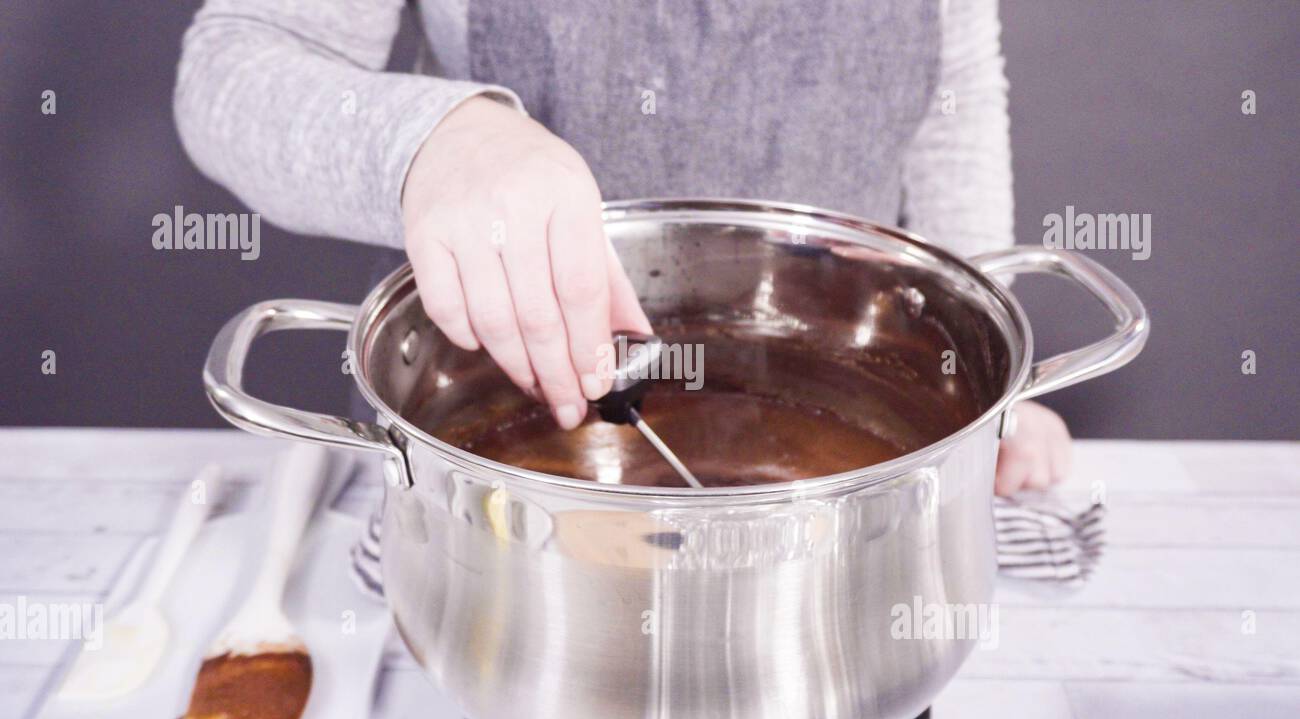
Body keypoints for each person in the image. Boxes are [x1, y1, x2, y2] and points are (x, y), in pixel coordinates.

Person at [174, 0, 1070, 495]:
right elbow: (235, 62)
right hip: (504, 504)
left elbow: (952, 94)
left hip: (864, 522)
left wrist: (990, 379)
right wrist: (436, 140)